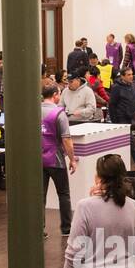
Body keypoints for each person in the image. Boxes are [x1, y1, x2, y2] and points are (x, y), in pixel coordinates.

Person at [42, 83, 78, 237]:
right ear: (55, 94)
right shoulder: (59, 113)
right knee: (63, 193)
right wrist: (72, 159)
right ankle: (66, 228)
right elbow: (66, 139)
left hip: (38, 159)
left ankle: (40, 228)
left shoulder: (33, 109)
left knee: (40, 195)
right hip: (55, 159)